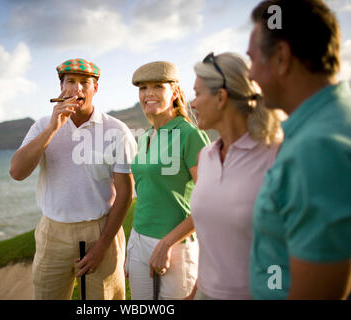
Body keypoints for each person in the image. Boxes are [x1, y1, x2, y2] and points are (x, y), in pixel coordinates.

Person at [247, 0, 351, 299]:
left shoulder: (318, 148)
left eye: (253, 60)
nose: (250, 74)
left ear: (281, 56)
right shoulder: (330, 121)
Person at [10, 58, 137, 300]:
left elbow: (125, 193)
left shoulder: (117, 130)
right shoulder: (41, 126)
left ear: (95, 89)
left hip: (100, 230)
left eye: (84, 83)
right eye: (71, 82)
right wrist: (52, 129)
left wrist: (102, 245)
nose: (77, 88)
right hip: (52, 232)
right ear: (61, 87)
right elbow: (17, 172)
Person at [186, 52, 283, 300]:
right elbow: (213, 241)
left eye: (197, 94)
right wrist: (196, 292)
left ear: (221, 97)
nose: (192, 103)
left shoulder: (276, 155)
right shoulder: (206, 157)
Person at [124, 61, 210, 300]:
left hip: (177, 246)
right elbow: (147, 195)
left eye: (157, 86)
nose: (148, 94)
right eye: (143, 88)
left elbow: (210, 204)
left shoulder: (190, 135)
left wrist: (167, 243)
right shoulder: (145, 138)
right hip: (138, 240)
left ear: (174, 92)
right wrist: (133, 244)